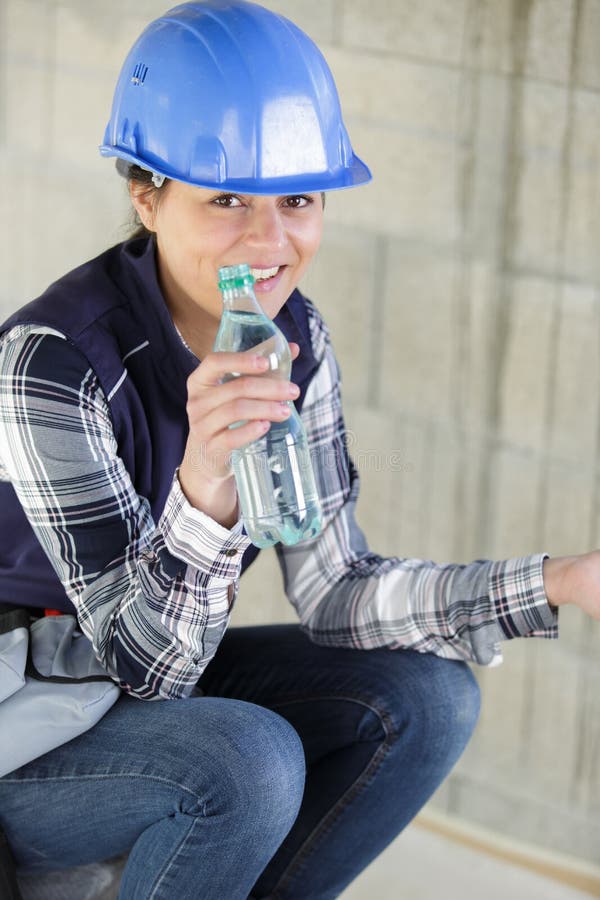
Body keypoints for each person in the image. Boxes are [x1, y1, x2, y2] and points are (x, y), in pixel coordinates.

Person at [0, 2, 598, 898]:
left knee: (429, 700)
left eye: (299, 200)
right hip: (25, 715)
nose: (270, 242)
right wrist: (204, 487)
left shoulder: (291, 342)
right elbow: (147, 666)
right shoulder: (53, 363)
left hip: (140, 684)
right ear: (145, 195)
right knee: (246, 760)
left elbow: (336, 590)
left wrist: (559, 581)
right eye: (227, 199)